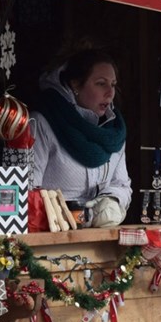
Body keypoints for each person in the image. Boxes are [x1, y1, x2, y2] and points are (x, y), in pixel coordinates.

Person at [29, 49, 130, 226]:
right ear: (76, 85)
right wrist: (59, 213)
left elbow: (121, 184)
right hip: (52, 238)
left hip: (98, 241)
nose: (110, 93)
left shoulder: (114, 132)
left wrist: (111, 201)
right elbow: (28, 189)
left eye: (113, 84)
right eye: (101, 84)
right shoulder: (42, 123)